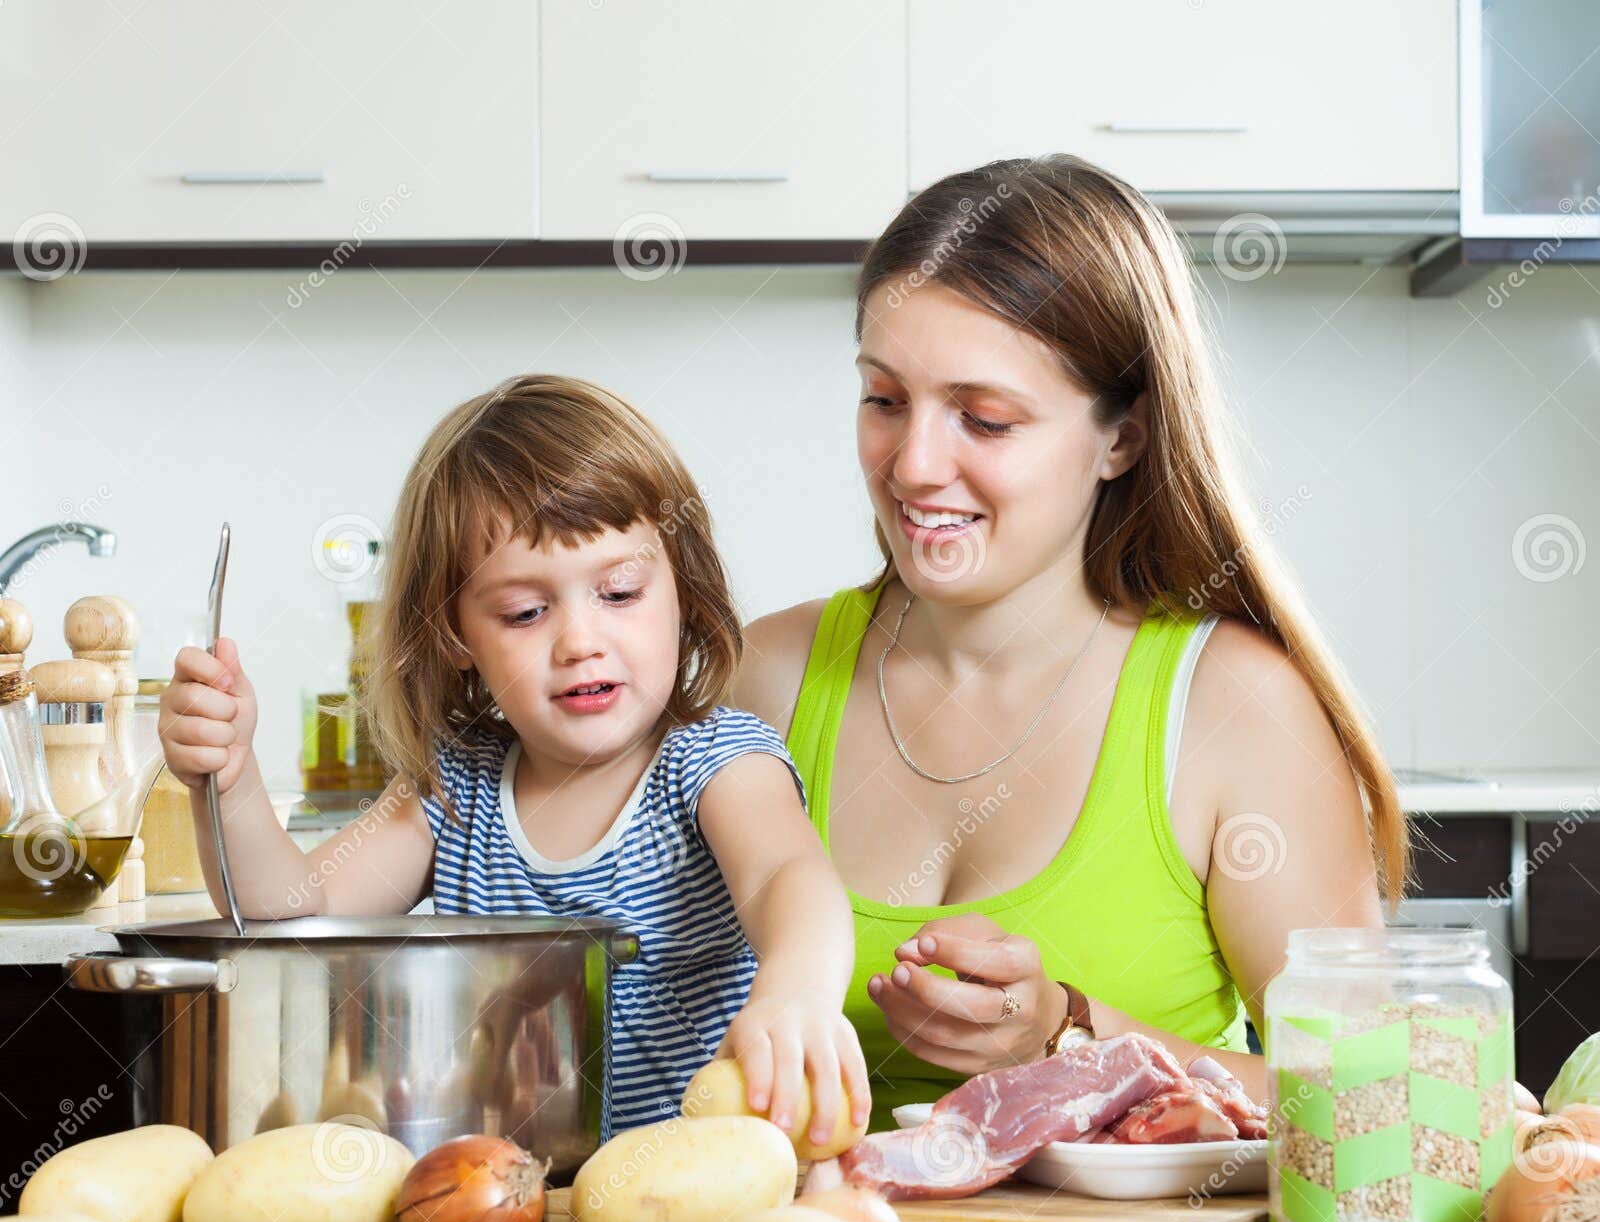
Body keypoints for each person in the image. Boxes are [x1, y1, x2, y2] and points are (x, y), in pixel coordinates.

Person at [736, 156, 1404, 1123]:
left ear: (1120, 438)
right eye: (885, 399)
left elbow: (1371, 1104)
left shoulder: (1232, 708)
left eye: (986, 418)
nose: (914, 463)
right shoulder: (766, 679)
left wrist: (1069, 1033)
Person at [159, 374, 868, 1142]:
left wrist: (796, 992)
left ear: (683, 591)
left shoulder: (714, 762)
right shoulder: (457, 787)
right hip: (508, 1211)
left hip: (697, 1200)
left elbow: (787, 880)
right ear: (456, 634)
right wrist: (228, 782)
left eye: (620, 592)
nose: (579, 640)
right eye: (526, 612)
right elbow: (293, 913)